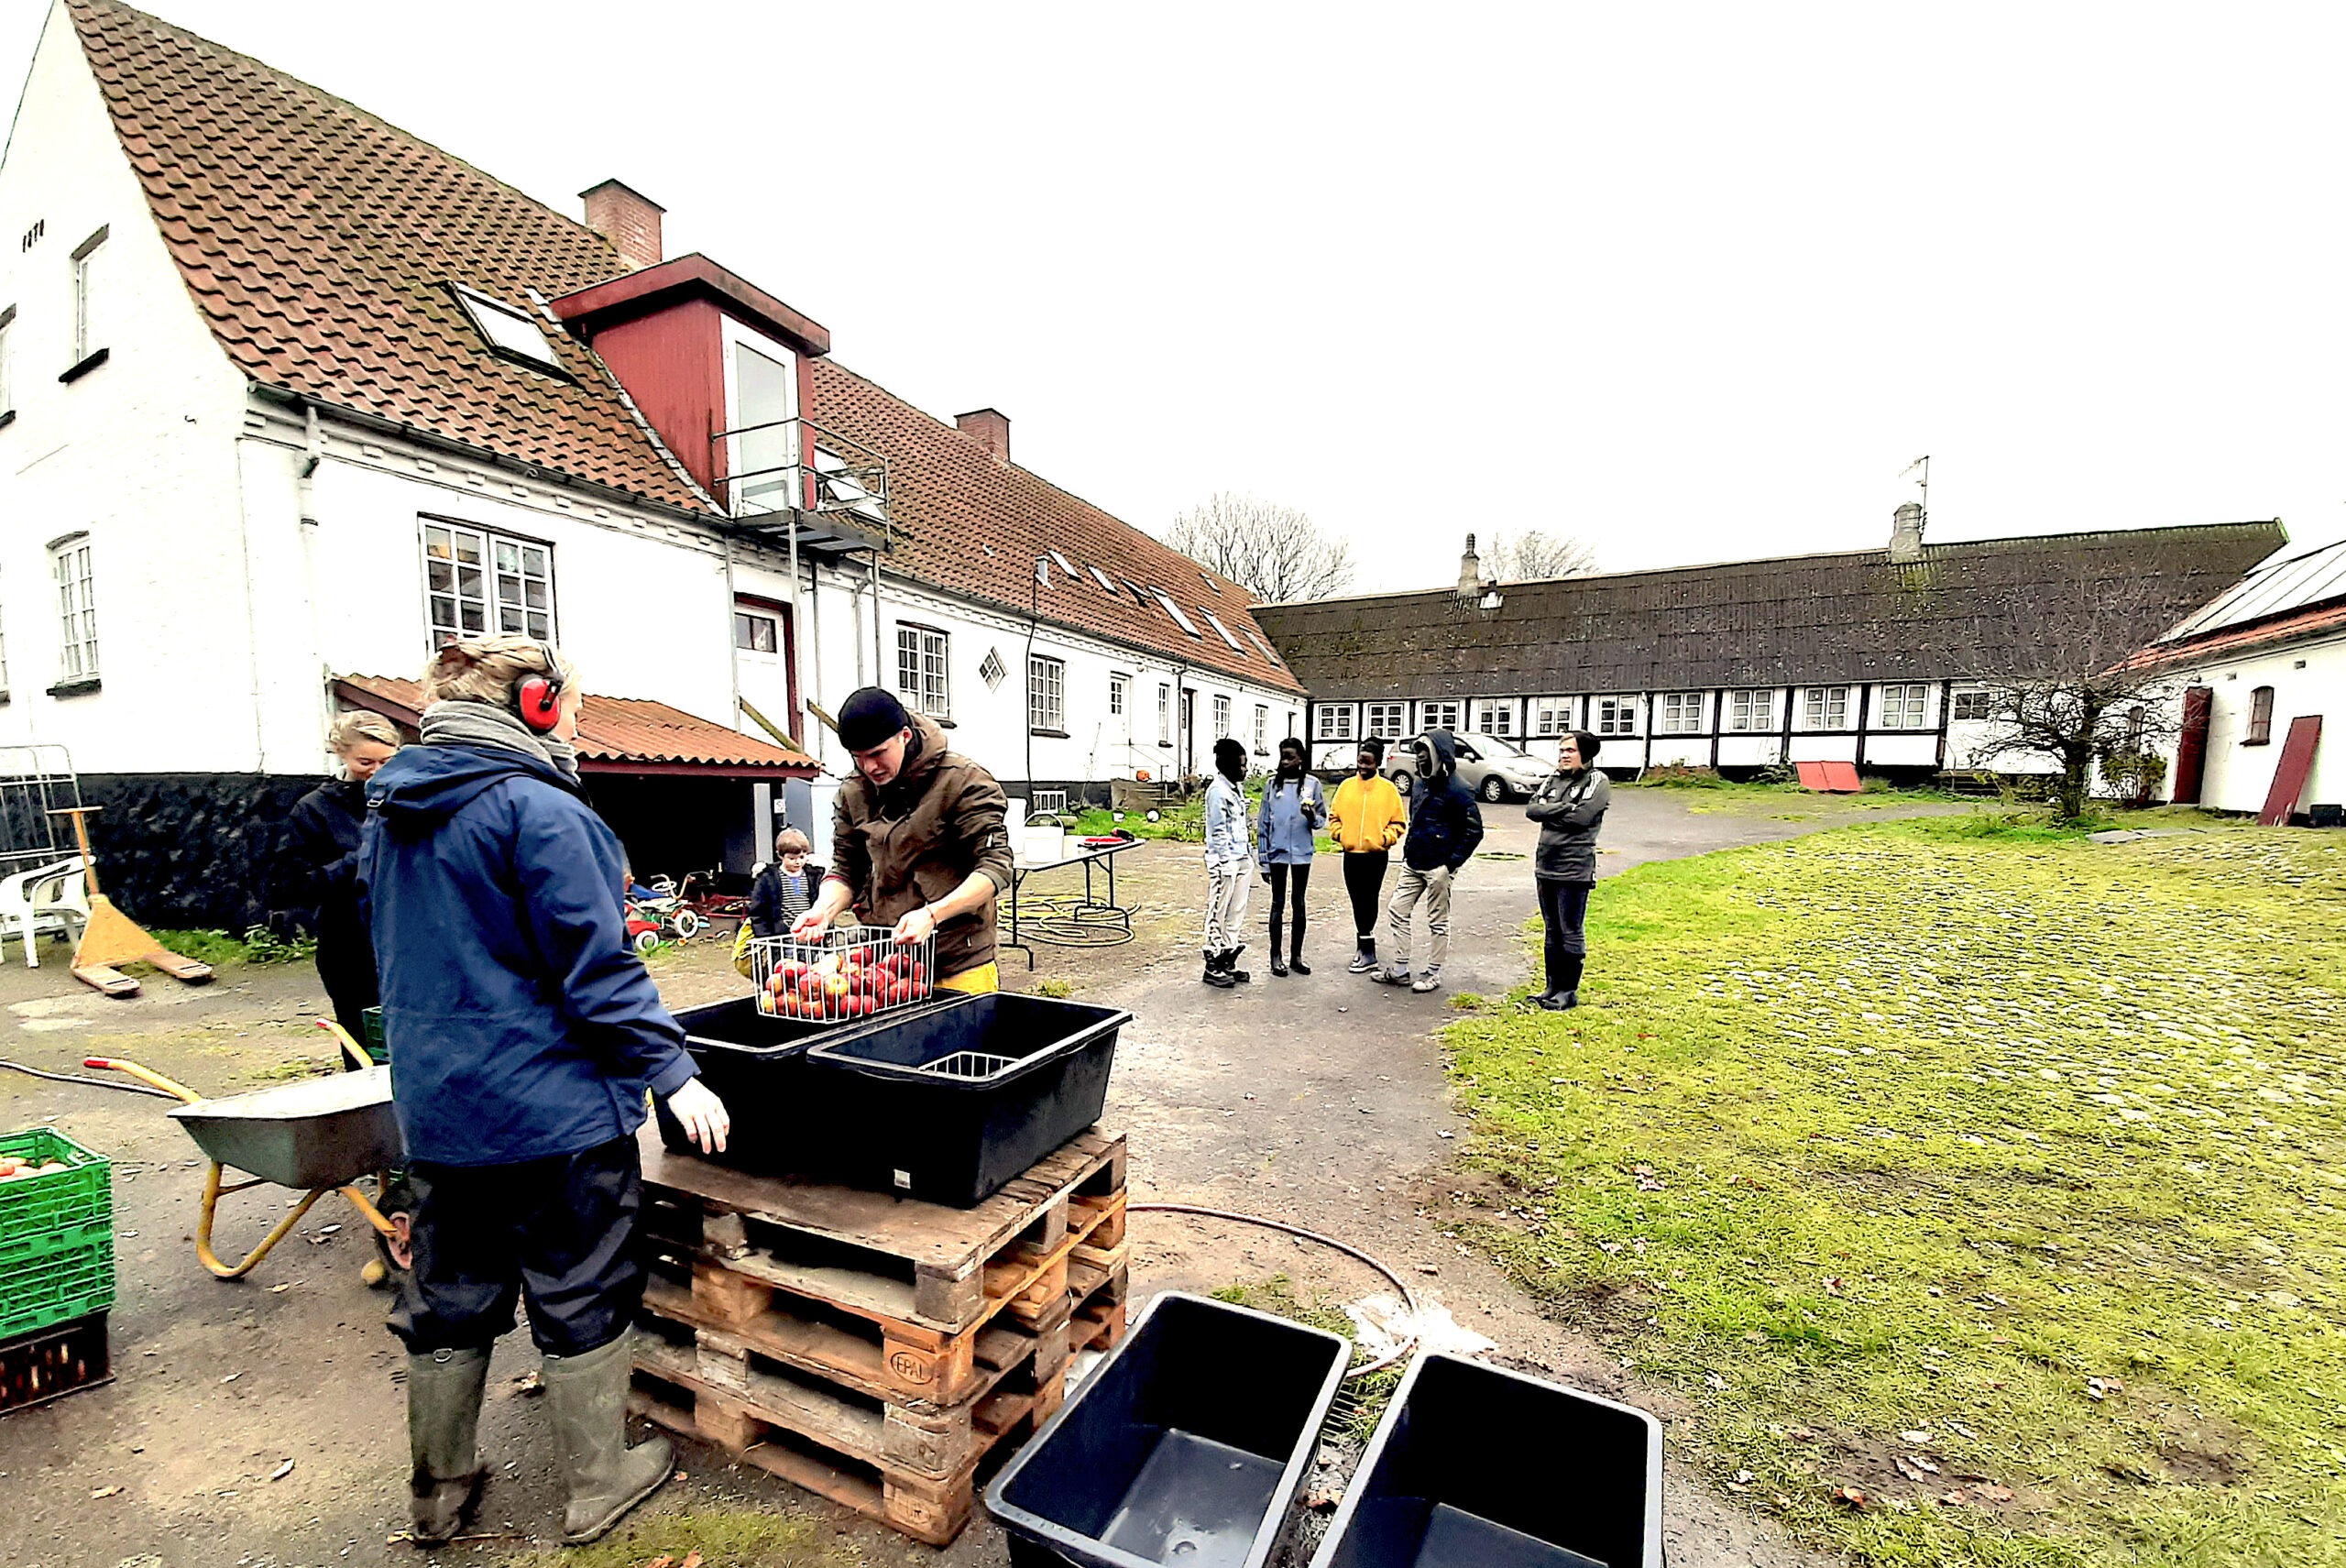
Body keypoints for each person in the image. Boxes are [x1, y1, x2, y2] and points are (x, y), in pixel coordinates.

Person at [359, 634, 730, 1547]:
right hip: (552, 1114)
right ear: (532, 705)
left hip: (440, 1113)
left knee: (450, 1292)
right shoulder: (542, 811)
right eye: (570, 703)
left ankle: (436, 1494)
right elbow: (598, 968)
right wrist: (673, 1071)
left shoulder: (390, 812)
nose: (578, 719)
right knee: (581, 1285)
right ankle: (597, 1484)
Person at [791, 688, 1014, 993]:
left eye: (878, 753)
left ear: (905, 735)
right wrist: (824, 910)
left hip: (956, 962)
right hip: (883, 970)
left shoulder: (963, 782)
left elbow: (995, 869)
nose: (869, 767)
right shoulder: (853, 793)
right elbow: (847, 868)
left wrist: (932, 914)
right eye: (858, 757)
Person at [276, 710, 400, 1047]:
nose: (376, 772)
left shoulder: (407, 799)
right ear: (341, 754)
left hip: (406, 941)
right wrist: (360, 860)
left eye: (387, 762)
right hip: (350, 948)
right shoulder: (313, 809)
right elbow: (296, 885)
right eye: (365, 762)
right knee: (365, 1043)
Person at [1371, 729, 1485, 994]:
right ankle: (1399, 969)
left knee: (1438, 921)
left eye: (1425, 754)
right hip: (1414, 862)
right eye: (1418, 754)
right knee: (1397, 909)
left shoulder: (1460, 789)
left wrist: (1450, 866)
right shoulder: (1420, 783)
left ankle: (1433, 973)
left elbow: (1474, 831)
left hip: (1439, 867)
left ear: (1439, 755)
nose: (1419, 759)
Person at [1525, 730, 1610, 1011]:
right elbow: (1532, 810)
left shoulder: (1597, 781)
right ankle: (1551, 986)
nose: (1563, 755)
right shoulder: (1553, 778)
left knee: (1570, 929)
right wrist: (1563, 808)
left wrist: (1552, 812)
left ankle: (1568, 991)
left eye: (1570, 751)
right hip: (1545, 866)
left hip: (1574, 868)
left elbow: (1583, 817)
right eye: (1561, 750)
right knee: (1551, 930)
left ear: (1585, 754)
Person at [1328, 737, 1407, 974]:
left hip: (1375, 856)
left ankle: (1367, 949)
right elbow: (1334, 817)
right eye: (1360, 762)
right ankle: (1363, 947)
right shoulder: (1345, 787)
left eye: (1368, 763)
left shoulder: (1388, 790)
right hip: (1351, 854)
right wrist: (1341, 835)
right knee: (1356, 900)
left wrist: (1384, 839)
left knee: (1369, 899)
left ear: (1378, 763)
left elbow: (1398, 823)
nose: (1362, 767)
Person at [1255, 737, 1326, 976]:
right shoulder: (1272, 785)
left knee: (1299, 902)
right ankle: (1276, 957)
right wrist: (1263, 860)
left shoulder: (1313, 784)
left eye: (1290, 757)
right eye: (1282, 756)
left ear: (1300, 759)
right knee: (1277, 903)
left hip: (1302, 854)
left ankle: (1296, 956)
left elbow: (1321, 821)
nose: (1285, 761)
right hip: (1277, 854)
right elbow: (1263, 822)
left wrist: (1310, 815)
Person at [1200, 736, 1254, 987]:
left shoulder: (1235, 788)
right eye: (1242, 765)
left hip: (1242, 857)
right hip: (1225, 861)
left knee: (1237, 910)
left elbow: (1239, 824)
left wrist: (1248, 855)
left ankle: (1227, 957)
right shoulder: (1217, 792)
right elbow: (1218, 831)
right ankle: (1212, 961)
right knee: (1218, 912)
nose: (1245, 770)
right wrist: (1225, 864)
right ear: (1228, 766)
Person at [748, 828, 825, 938]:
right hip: (782, 935)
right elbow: (758, 910)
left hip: (809, 932)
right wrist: (764, 936)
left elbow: (823, 905)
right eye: (792, 858)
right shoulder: (768, 878)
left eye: (802, 857)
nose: (798, 862)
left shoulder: (814, 876)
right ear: (780, 855)